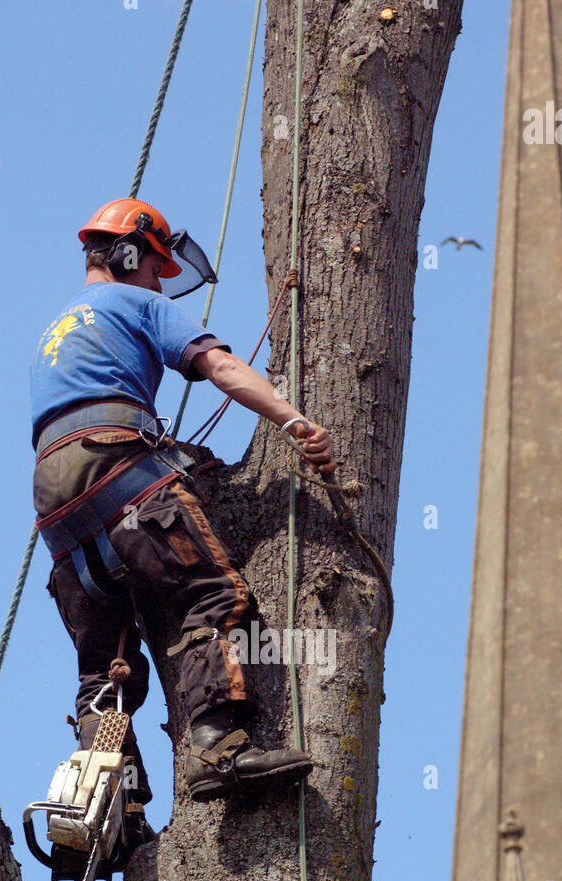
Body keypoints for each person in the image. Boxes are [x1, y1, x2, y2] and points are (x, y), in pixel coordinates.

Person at [30, 198, 336, 825]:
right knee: (213, 594)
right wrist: (294, 420)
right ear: (128, 254)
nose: (157, 284)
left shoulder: (55, 330)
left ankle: (112, 807)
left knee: (106, 673)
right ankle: (217, 747)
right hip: (115, 469)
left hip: (57, 509)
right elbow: (218, 365)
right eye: (154, 270)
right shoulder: (135, 303)